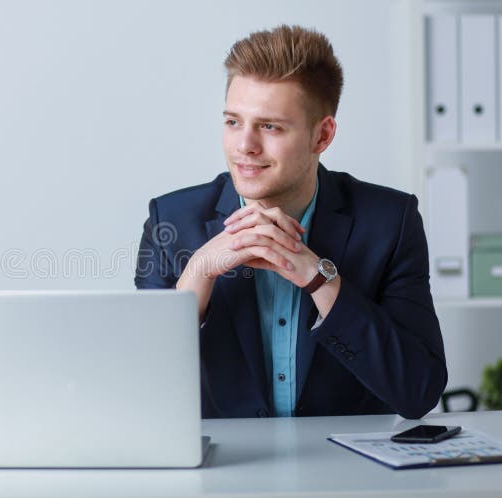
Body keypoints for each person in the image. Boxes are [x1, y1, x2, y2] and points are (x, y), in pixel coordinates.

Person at [134, 25, 446, 419]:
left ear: (322, 135)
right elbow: (138, 390)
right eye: (233, 122)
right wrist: (198, 273)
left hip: (345, 468)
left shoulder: (389, 222)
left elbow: (418, 391)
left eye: (270, 127)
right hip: (222, 471)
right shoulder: (174, 222)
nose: (244, 145)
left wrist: (320, 280)